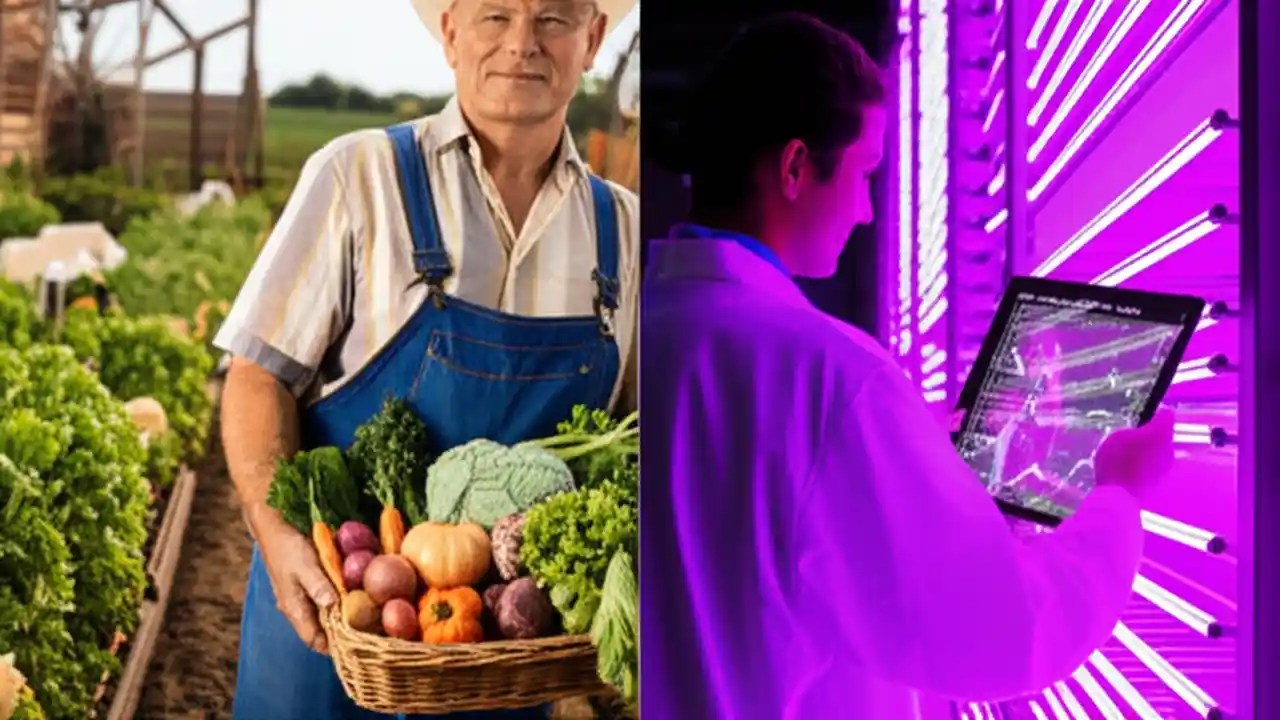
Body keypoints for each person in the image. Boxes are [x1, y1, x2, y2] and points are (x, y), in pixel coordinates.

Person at [639, 13, 1175, 720]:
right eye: (865, 173)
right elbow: (1004, 632)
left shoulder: (642, 327)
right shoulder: (830, 375)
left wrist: (906, 454)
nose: (866, 211)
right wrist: (1117, 498)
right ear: (796, 166)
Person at [215, 1, 638, 718]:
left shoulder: (622, 232)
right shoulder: (358, 178)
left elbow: (628, 440)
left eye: (554, 20)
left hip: (501, 660)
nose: (521, 44)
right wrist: (280, 538)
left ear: (593, 38)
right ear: (450, 32)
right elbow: (258, 378)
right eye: (495, 15)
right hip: (335, 627)